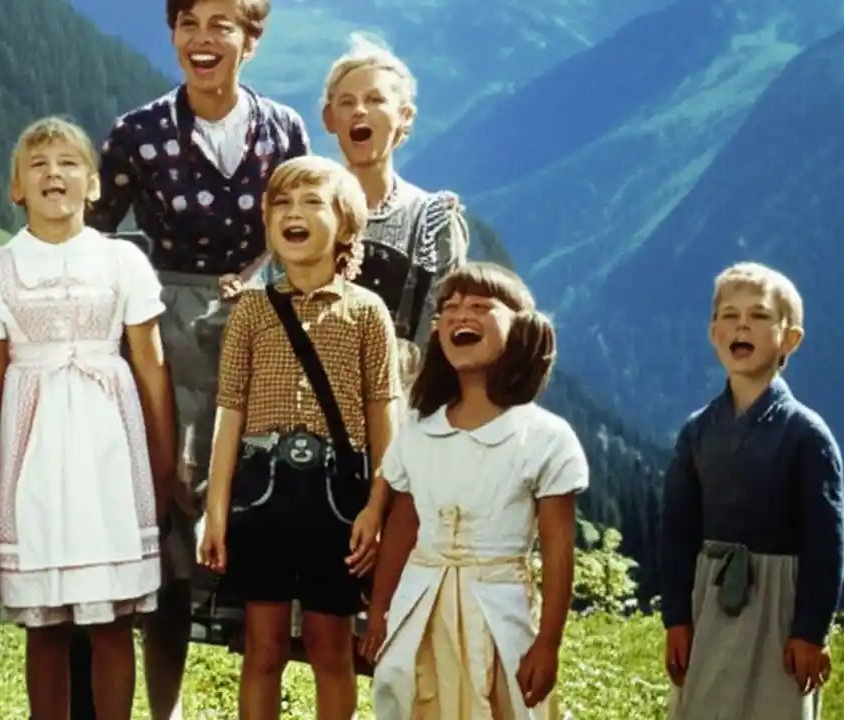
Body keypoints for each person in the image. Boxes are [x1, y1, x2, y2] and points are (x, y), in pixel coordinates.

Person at [87, 1, 311, 715]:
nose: (202, 39)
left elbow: (303, 220)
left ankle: (260, 694)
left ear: (252, 37)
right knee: (167, 517)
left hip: (260, 329)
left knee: (256, 508)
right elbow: (93, 234)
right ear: (173, 34)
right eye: (188, 22)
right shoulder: (138, 133)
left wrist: (257, 275)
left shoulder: (285, 129)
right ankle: (166, 709)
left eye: (222, 23)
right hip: (165, 336)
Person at [0, 116, 176, 720]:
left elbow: (153, 372)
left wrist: (160, 471)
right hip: (32, 452)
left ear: (94, 185)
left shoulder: (122, 263)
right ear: (16, 189)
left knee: (114, 621)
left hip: (110, 447)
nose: (53, 173)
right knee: (45, 624)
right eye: (37, 164)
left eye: (68, 163)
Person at [199, 155, 396, 719]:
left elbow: (385, 419)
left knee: (330, 645)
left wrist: (377, 508)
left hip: (338, 497)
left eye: (313, 202)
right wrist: (216, 510)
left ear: (346, 226)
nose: (294, 213)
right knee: (261, 646)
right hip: (261, 491)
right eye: (281, 203)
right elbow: (229, 413)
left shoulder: (368, 313)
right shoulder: (253, 312)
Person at [364, 263, 584, 719]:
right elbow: (403, 525)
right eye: (449, 308)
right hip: (421, 604)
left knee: (500, 700)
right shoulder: (419, 433)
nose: (461, 316)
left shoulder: (543, 437)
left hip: (500, 605)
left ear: (520, 328)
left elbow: (558, 547)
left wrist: (548, 643)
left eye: (481, 306)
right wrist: (380, 610)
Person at [661, 262, 844, 720]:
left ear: (789, 339)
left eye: (760, 316)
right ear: (712, 333)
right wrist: (677, 618)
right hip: (711, 594)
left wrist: (810, 630)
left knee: (773, 704)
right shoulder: (697, 432)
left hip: (778, 602)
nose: (742, 324)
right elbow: (677, 532)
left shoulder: (806, 434)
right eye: (729, 314)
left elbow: (827, 542)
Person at [321, 33, 470, 390]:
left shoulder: (433, 222)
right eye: (347, 102)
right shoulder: (303, 212)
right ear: (330, 118)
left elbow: (447, 330)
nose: (359, 110)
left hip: (404, 409)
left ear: (405, 117)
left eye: (374, 99)